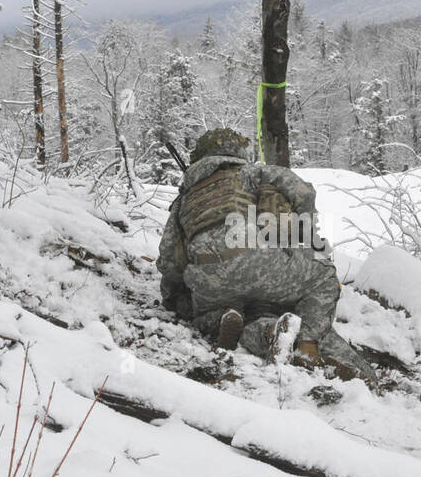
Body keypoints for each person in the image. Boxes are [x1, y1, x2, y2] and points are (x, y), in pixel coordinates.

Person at [157, 128, 375, 383]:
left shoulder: (185, 197)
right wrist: (299, 234)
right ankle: (307, 342)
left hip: (210, 281)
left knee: (215, 316)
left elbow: (169, 259)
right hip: (262, 262)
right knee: (324, 273)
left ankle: (266, 331)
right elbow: (303, 192)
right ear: (239, 153)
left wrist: (176, 299)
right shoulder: (253, 172)